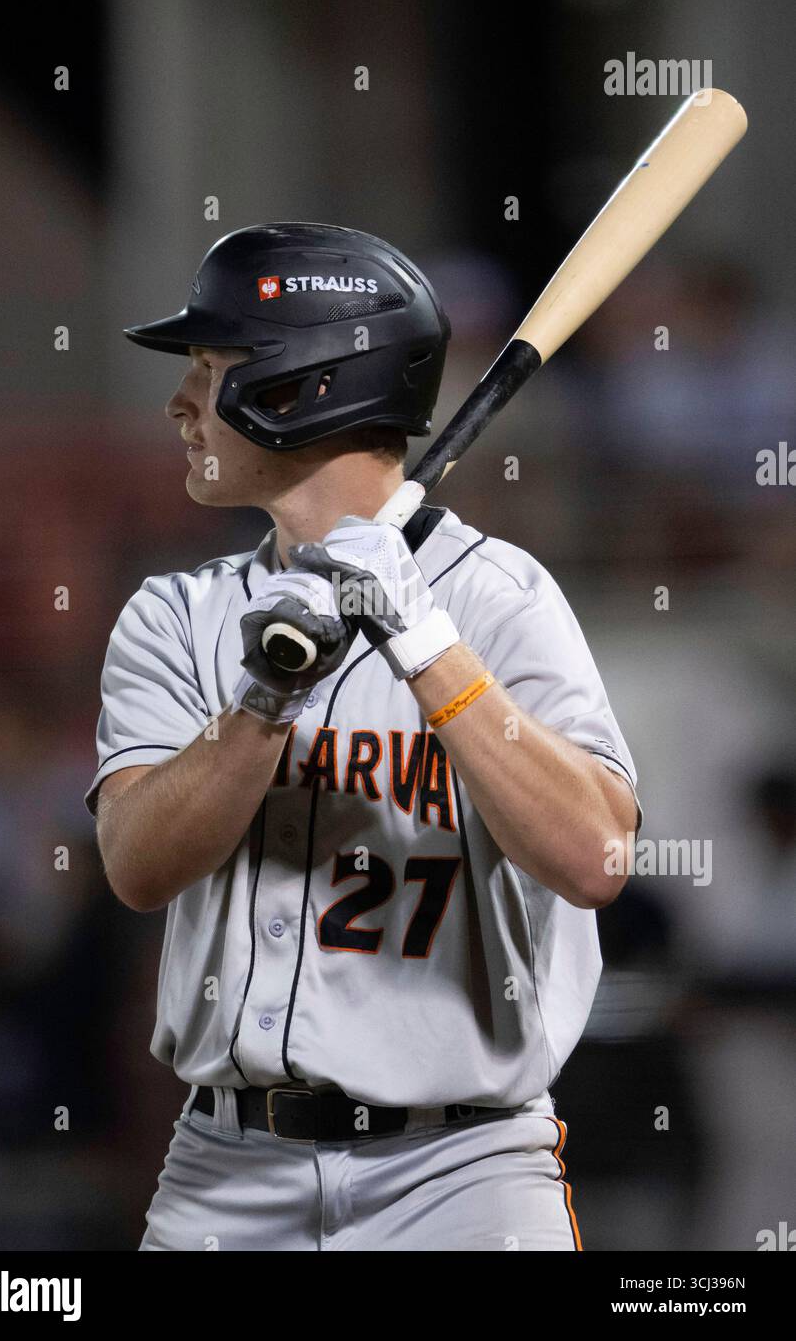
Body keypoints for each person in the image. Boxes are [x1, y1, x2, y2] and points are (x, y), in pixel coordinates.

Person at [86, 223, 640, 1252]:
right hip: (226, 1168)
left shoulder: (498, 599)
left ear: (303, 385)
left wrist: (428, 644)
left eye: (210, 371)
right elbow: (138, 864)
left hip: (461, 1173)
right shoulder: (177, 615)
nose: (179, 403)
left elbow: (596, 857)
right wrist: (264, 698)